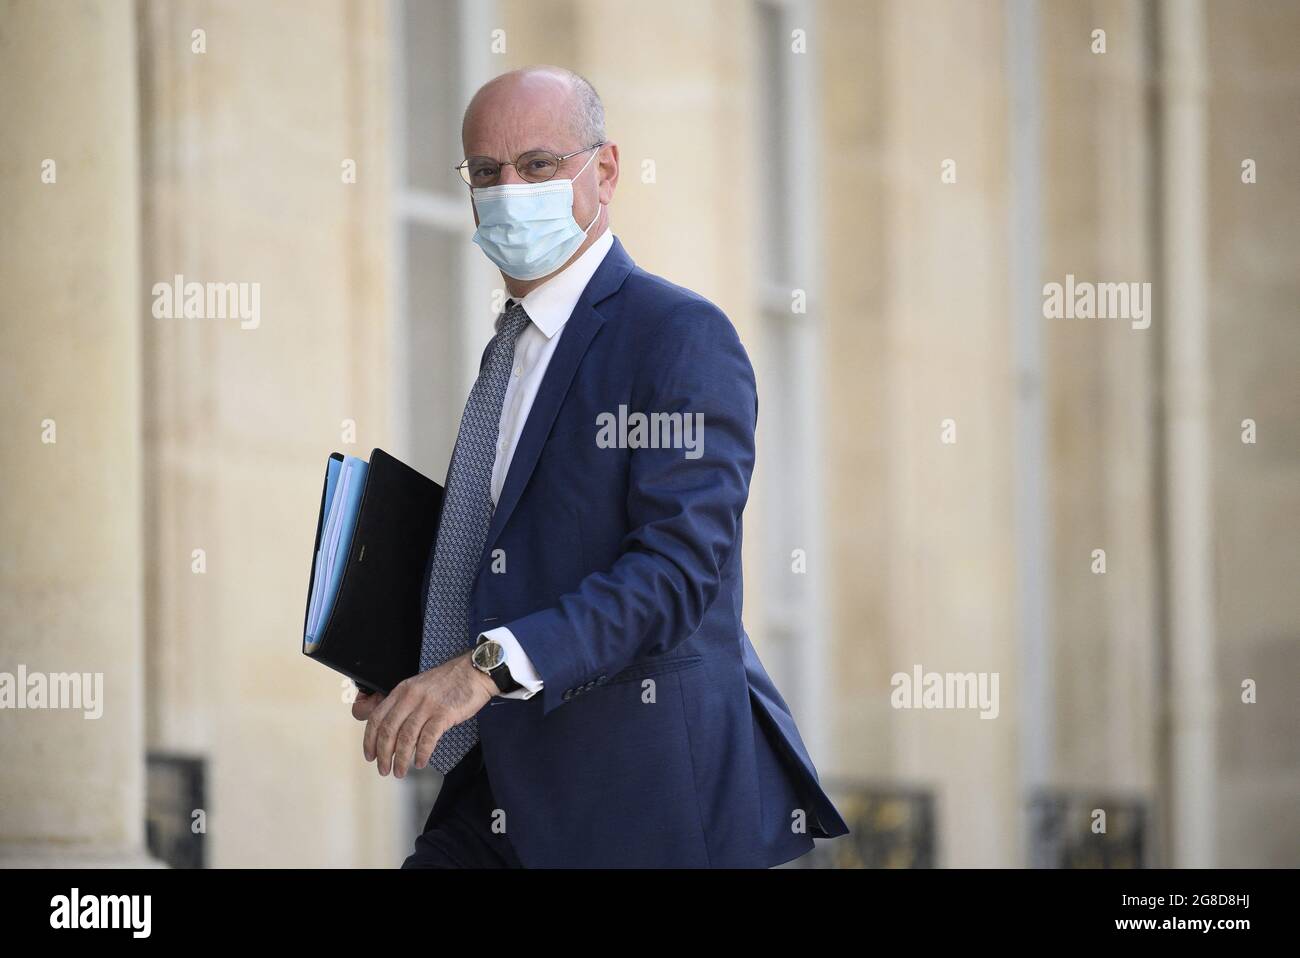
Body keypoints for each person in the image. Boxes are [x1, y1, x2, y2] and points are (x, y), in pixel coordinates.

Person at [352, 64, 848, 868]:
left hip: (637, 805)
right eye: (486, 172)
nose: (509, 189)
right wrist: (419, 669)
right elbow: (526, 556)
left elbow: (676, 572)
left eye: (538, 166)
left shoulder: (677, 336)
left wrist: (480, 671)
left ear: (605, 170)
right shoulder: (508, 351)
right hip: (499, 794)